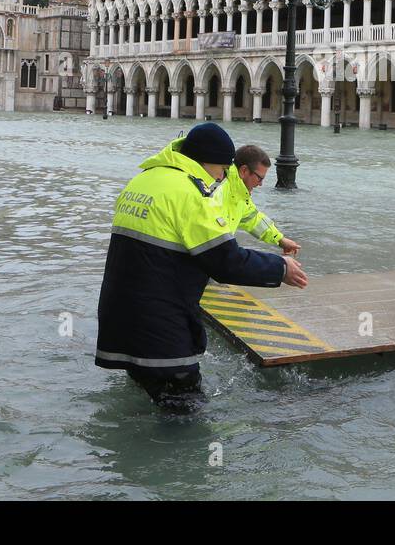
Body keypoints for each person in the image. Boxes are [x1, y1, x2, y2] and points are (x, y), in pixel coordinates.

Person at [95, 122, 307, 410]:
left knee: (145, 395)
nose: (221, 177)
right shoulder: (191, 194)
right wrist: (281, 268)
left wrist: (277, 237)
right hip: (160, 325)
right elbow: (225, 262)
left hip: (120, 318)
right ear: (209, 162)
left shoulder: (143, 181)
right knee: (185, 412)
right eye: (222, 169)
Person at [221, 144, 301, 257]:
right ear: (244, 171)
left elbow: (254, 219)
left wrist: (280, 240)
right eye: (259, 178)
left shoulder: (238, 193)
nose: (260, 184)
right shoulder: (220, 188)